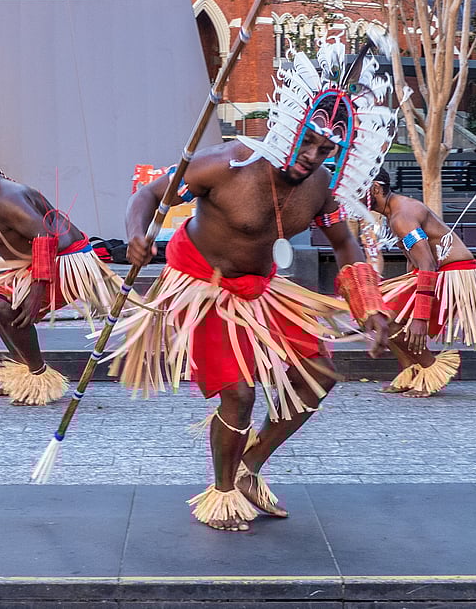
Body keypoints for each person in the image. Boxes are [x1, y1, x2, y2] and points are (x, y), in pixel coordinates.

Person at [110, 41, 395, 532]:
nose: (312, 157)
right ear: (287, 127)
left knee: (318, 376)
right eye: (307, 142)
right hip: (201, 283)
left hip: (261, 288)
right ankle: (221, 493)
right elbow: (149, 193)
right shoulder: (227, 164)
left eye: (326, 150)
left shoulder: (320, 187)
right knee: (238, 394)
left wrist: (369, 306)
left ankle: (249, 466)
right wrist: (137, 236)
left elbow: (346, 245)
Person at [0, 148, 125, 406]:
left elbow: (47, 237)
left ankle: (38, 378)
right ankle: (21, 370)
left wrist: (36, 288)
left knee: (6, 306)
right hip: (42, 261)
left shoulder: (4, 199)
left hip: (66, 262)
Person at [366, 167, 476, 397]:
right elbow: (417, 260)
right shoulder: (396, 212)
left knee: (388, 315)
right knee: (380, 309)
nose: (352, 198)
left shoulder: (401, 216)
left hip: (453, 275)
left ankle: (430, 370)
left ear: (375, 188)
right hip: (440, 271)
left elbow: (427, 264)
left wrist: (419, 316)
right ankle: (411, 371)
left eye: (357, 191)